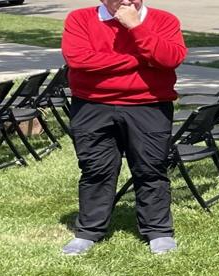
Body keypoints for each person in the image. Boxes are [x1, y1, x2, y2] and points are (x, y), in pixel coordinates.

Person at [60, 0, 187, 255]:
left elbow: (170, 58)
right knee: (95, 168)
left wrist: (135, 26)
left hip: (149, 105)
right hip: (92, 106)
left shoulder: (164, 20)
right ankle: (89, 230)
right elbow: (80, 60)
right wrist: (141, 59)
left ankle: (158, 230)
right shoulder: (80, 19)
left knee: (151, 168)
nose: (128, 0)